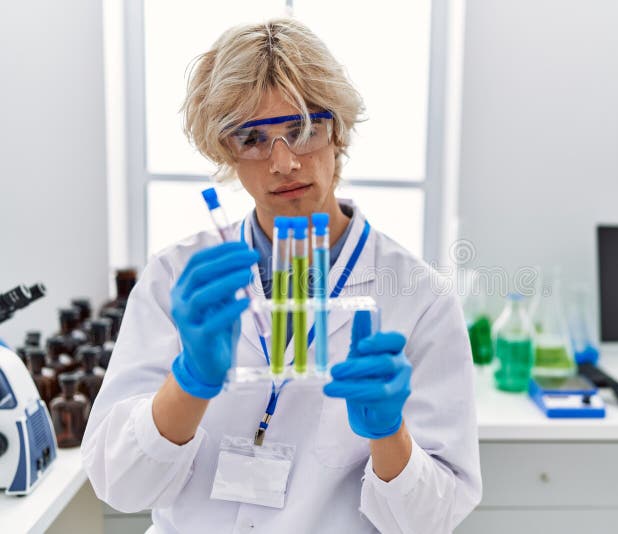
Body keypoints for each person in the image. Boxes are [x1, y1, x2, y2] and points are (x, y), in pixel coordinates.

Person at [81, 18, 481, 533]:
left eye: (303, 129)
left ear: (338, 130)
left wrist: (389, 434)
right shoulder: (174, 278)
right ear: (224, 151)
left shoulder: (420, 299)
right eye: (251, 138)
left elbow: (432, 520)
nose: (284, 162)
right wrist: (190, 381)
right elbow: (120, 487)